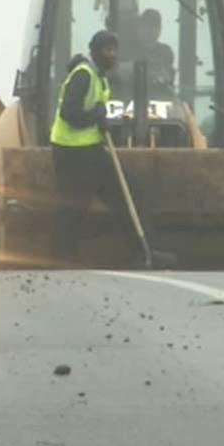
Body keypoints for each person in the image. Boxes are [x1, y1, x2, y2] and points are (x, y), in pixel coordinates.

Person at [49, 30, 170, 268]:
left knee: (128, 191)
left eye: (114, 50)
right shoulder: (83, 75)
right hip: (72, 152)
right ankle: (62, 259)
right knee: (74, 205)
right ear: (95, 52)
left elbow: (92, 111)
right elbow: (69, 113)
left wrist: (100, 118)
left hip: (91, 150)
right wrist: (96, 115)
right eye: (107, 50)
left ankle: (143, 251)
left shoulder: (98, 76)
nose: (112, 55)